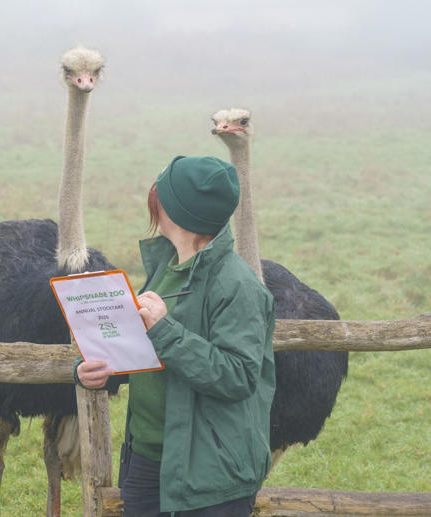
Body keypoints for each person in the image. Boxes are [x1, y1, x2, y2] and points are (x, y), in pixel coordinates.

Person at [75, 155, 276, 517]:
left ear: (182, 212)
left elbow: (239, 375)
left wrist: (166, 330)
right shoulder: (167, 267)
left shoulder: (237, 285)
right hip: (148, 461)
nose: (154, 201)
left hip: (209, 475)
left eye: (162, 195)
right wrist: (100, 369)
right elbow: (146, 348)